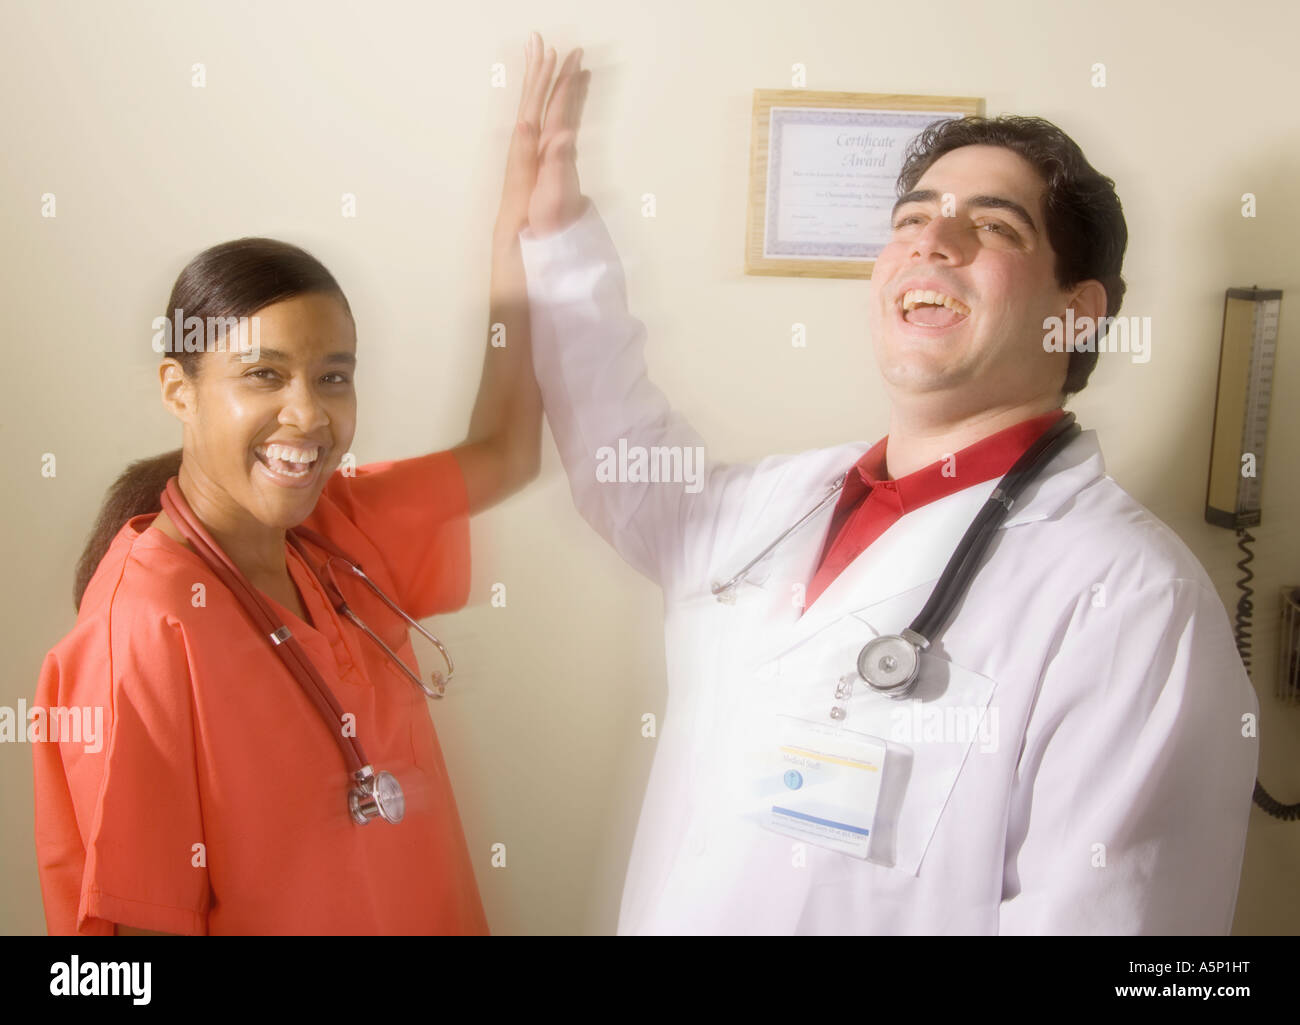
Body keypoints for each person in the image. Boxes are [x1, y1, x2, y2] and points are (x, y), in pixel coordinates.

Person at [514, 38, 1259, 933]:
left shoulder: (1132, 600)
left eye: (992, 225)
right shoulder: (774, 506)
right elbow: (622, 456)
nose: (930, 240)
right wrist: (557, 235)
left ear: (1076, 313)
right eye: (911, 219)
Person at [32, 33, 559, 936]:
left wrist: (522, 228)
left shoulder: (341, 531)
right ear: (178, 389)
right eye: (264, 376)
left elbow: (508, 450)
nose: (308, 417)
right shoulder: (143, 631)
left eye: (334, 376)